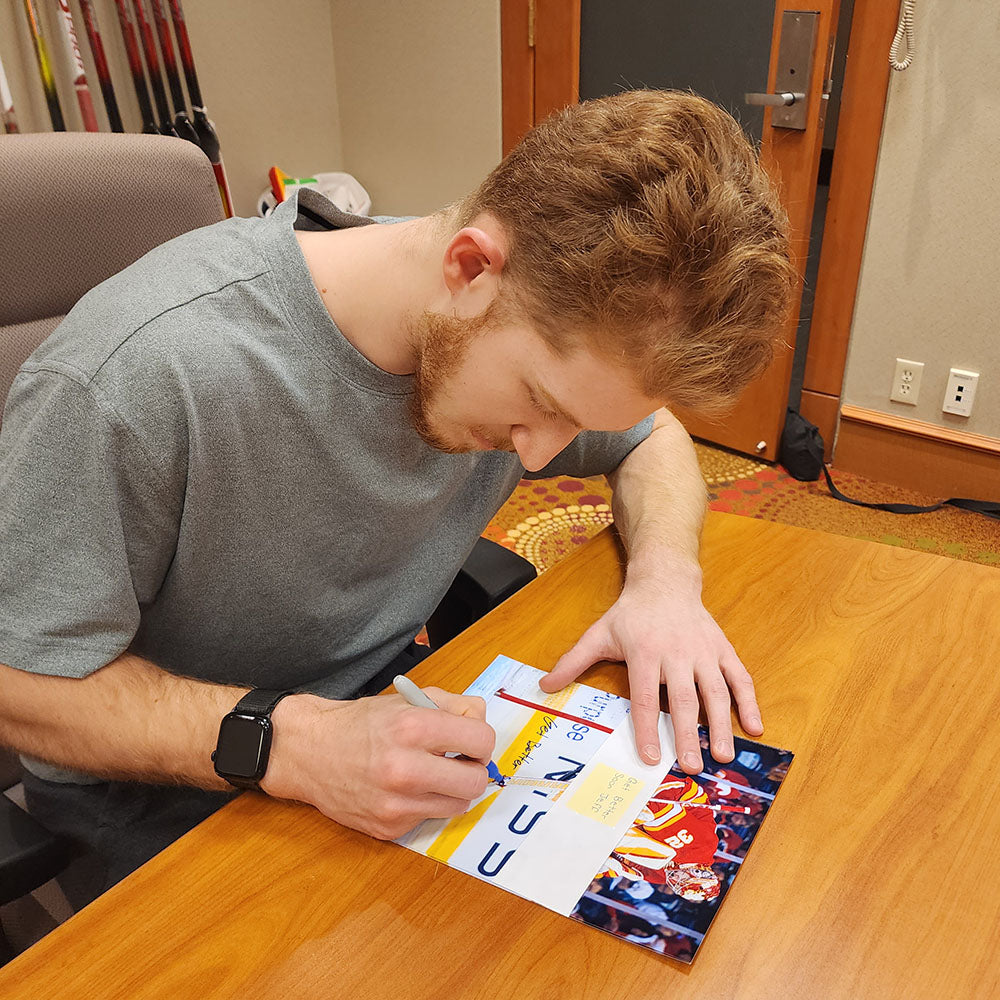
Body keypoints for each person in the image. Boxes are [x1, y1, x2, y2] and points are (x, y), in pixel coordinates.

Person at [0, 89, 795, 906]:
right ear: (471, 268)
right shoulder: (137, 374)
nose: (540, 454)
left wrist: (664, 581)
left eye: (577, 423)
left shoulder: (514, 335)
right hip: (158, 783)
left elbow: (653, 439)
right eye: (540, 402)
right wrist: (295, 744)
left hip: (374, 713)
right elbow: (18, 682)